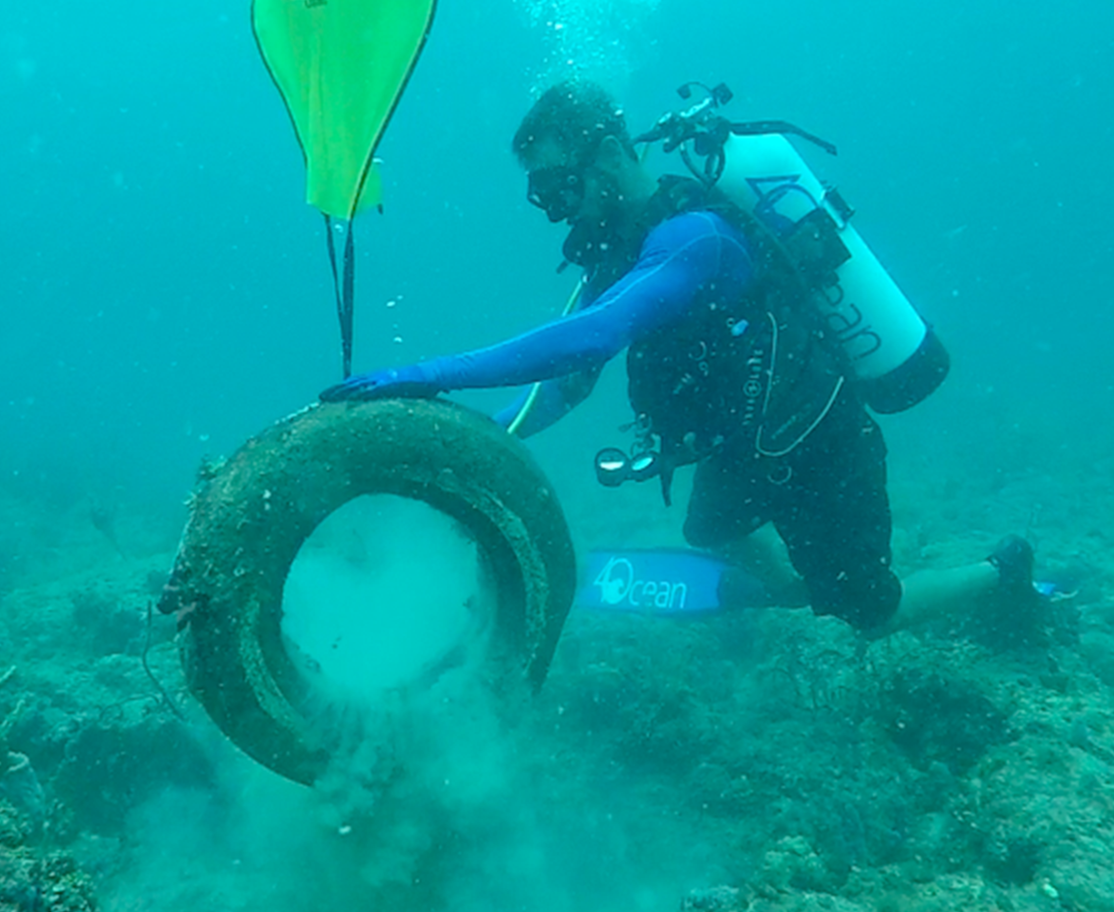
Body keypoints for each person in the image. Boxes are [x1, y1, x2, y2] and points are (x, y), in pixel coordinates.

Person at [320, 80, 1034, 636]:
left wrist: (425, 374)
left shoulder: (695, 238)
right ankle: (796, 589)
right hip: (740, 444)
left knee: (871, 616)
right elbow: (564, 388)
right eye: (539, 195)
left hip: (821, 445)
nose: (556, 210)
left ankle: (1002, 572)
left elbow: (593, 337)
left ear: (606, 154)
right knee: (717, 534)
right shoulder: (616, 254)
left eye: (559, 186)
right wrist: (475, 443)